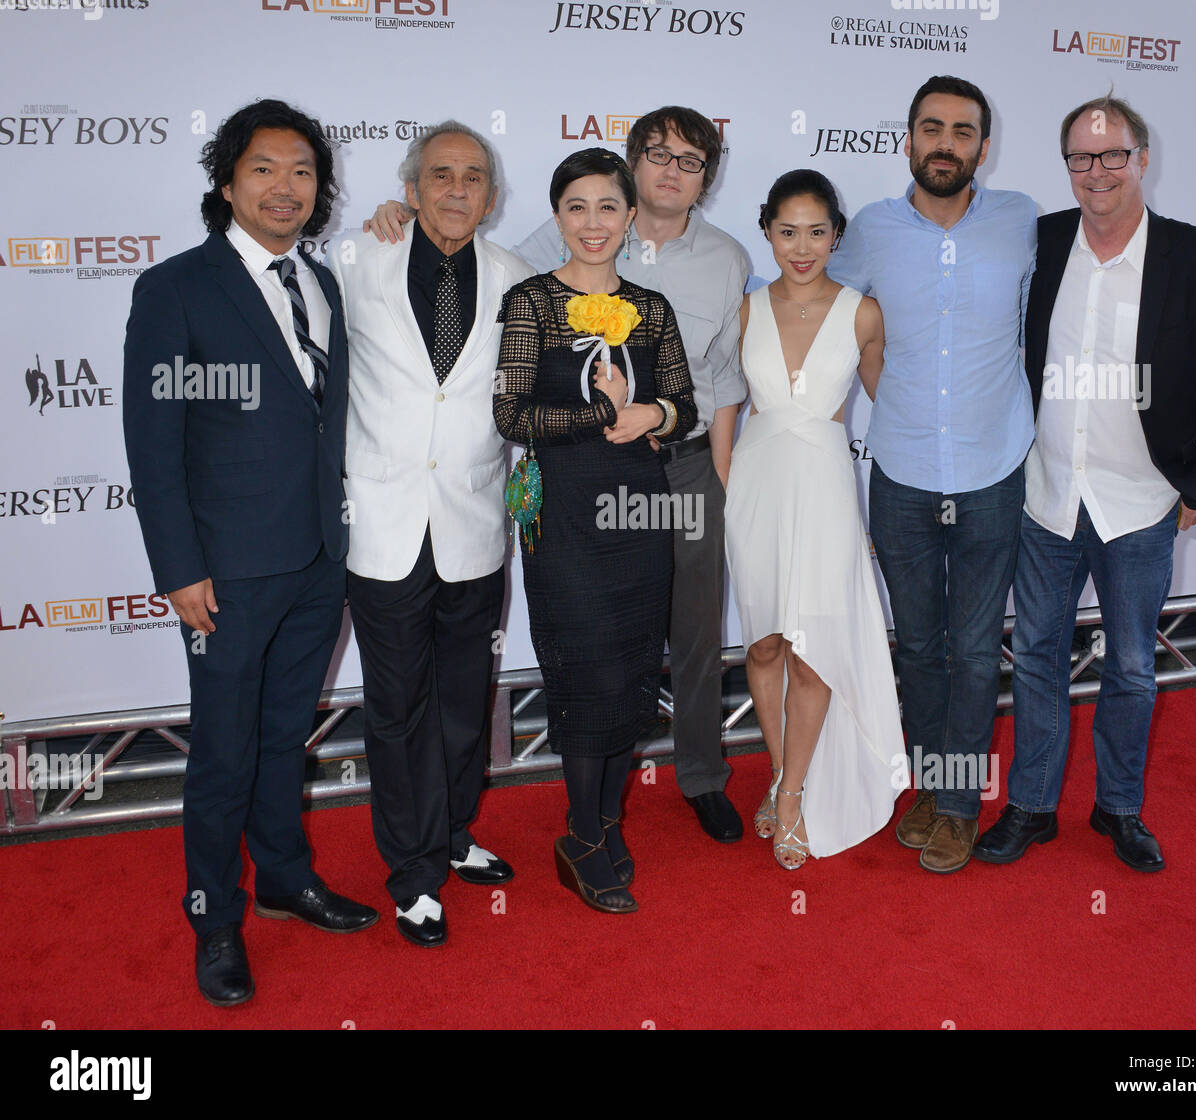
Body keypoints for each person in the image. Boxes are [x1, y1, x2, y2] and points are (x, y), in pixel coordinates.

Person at [367, 107, 749, 844]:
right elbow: (466, 249)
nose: (673, 170)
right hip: (577, 488)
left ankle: (700, 777)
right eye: (659, 154)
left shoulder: (726, 258)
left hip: (682, 470)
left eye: (691, 160)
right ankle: (590, 816)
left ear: (705, 177)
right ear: (632, 165)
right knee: (591, 639)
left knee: (692, 632)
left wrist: (704, 466)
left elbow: (719, 383)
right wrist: (401, 216)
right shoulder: (554, 247)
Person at [123, 99, 377, 1008]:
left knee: (282, 734)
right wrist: (179, 568)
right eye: (264, 169)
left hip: (316, 556)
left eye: (303, 171)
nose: (285, 186)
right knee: (224, 749)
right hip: (225, 568)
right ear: (227, 183)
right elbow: (152, 445)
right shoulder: (177, 288)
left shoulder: (324, 283)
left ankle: (283, 876)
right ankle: (213, 915)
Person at [973, 94, 1196, 871]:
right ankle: (1031, 806)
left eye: (1112, 155)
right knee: (1033, 656)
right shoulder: (1042, 242)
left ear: (1141, 158)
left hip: (1139, 502)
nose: (1097, 172)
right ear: (1066, 166)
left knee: (1131, 664)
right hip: (1046, 495)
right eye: (1081, 157)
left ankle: (1118, 809)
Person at [328, 123, 531, 948]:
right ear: (410, 189)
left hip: (476, 523)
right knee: (396, 706)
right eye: (439, 175)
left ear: (491, 195)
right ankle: (413, 872)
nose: (456, 189)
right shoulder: (352, 261)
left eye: (473, 177)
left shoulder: (520, 278)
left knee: (461, 704)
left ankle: (450, 832)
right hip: (381, 525)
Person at [827, 75, 1037, 874]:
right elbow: (802, 291)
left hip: (993, 469)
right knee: (916, 645)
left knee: (978, 650)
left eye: (962, 131)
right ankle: (929, 785)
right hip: (905, 469)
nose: (945, 143)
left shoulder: (1022, 222)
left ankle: (957, 805)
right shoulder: (870, 233)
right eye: (931, 128)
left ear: (984, 146)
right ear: (907, 140)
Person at [493, 148, 697, 913]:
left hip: (642, 510)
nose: (592, 223)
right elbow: (511, 414)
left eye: (608, 207)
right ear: (557, 217)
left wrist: (655, 414)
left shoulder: (652, 307)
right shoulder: (531, 302)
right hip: (565, 514)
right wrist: (604, 413)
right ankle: (579, 834)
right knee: (585, 670)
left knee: (635, 665)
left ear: (631, 217)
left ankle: (608, 820)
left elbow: (683, 404)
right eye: (576, 207)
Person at [727, 170, 904, 869]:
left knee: (813, 648)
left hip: (826, 488)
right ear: (767, 230)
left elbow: (894, 402)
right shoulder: (745, 311)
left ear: (838, 234)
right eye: (788, 231)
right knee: (765, 645)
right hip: (756, 488)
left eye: (818, 231)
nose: (803, 247)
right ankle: (778, 772)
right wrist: (719, 483)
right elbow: (724, 408)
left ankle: (793, 795)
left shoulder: (863, 312)